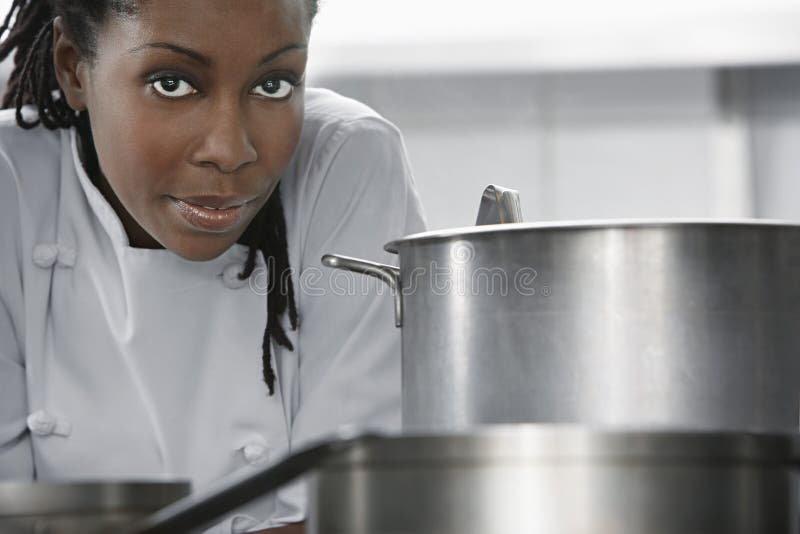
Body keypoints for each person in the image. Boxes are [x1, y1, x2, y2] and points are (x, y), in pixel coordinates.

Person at [0, 0, 427, 532]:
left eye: (273, 84)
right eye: (172, 84)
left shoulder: (344, 158)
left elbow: (355, 509)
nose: (229, 150)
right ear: (73, 66)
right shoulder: (10, 182)